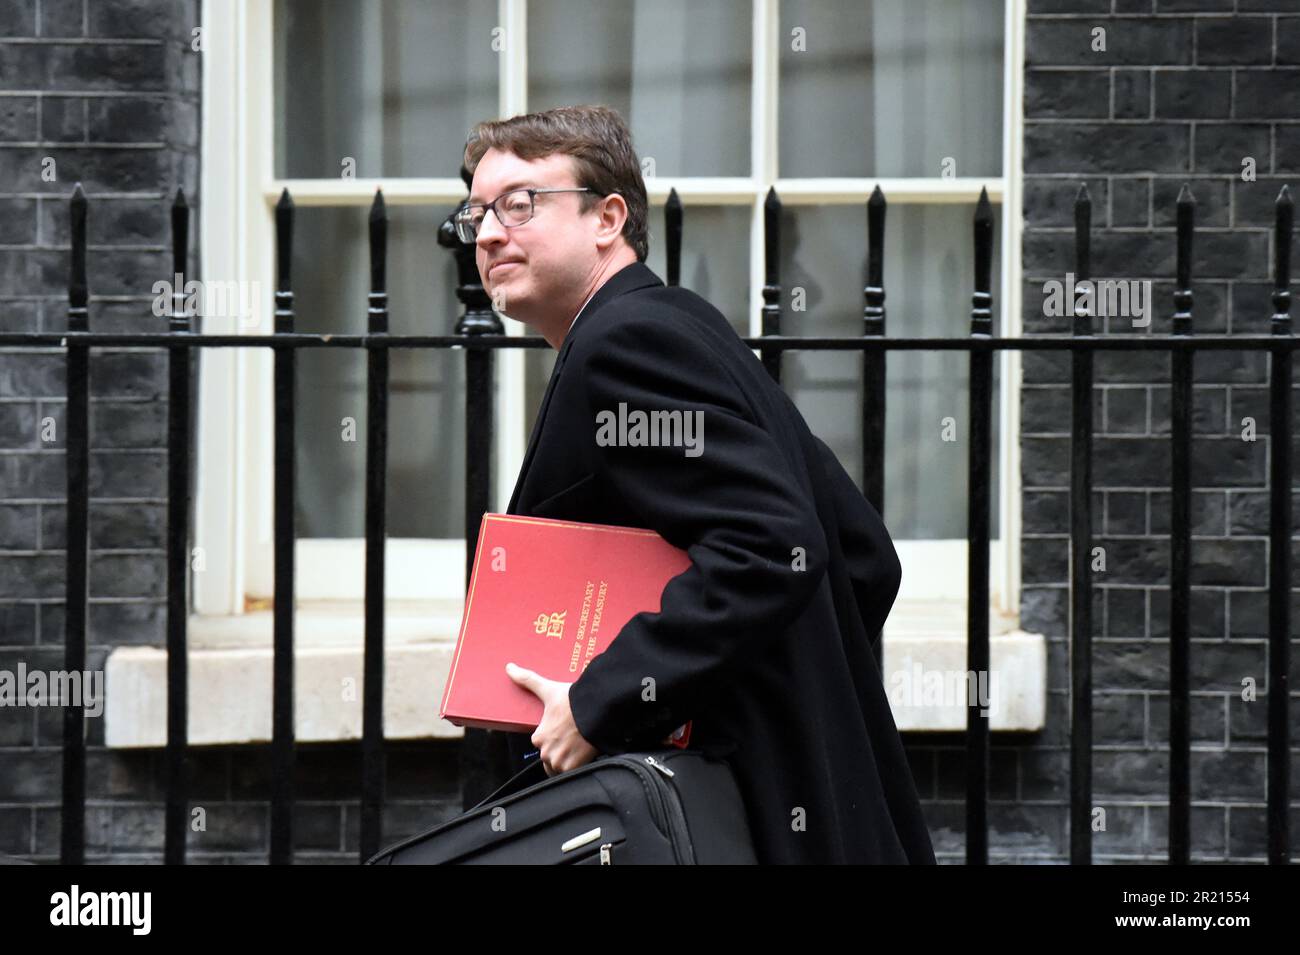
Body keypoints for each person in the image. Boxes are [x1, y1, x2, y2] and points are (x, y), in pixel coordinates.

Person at [457, 104, 936, 865]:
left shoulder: (625, 344)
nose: (486, 232)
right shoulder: (682, 326)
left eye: (520, 203)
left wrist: (604, 698)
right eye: (476, 211)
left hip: (732, 825)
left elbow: (771, 544)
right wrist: (791, 698)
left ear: (608, 216)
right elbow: (863, 552)